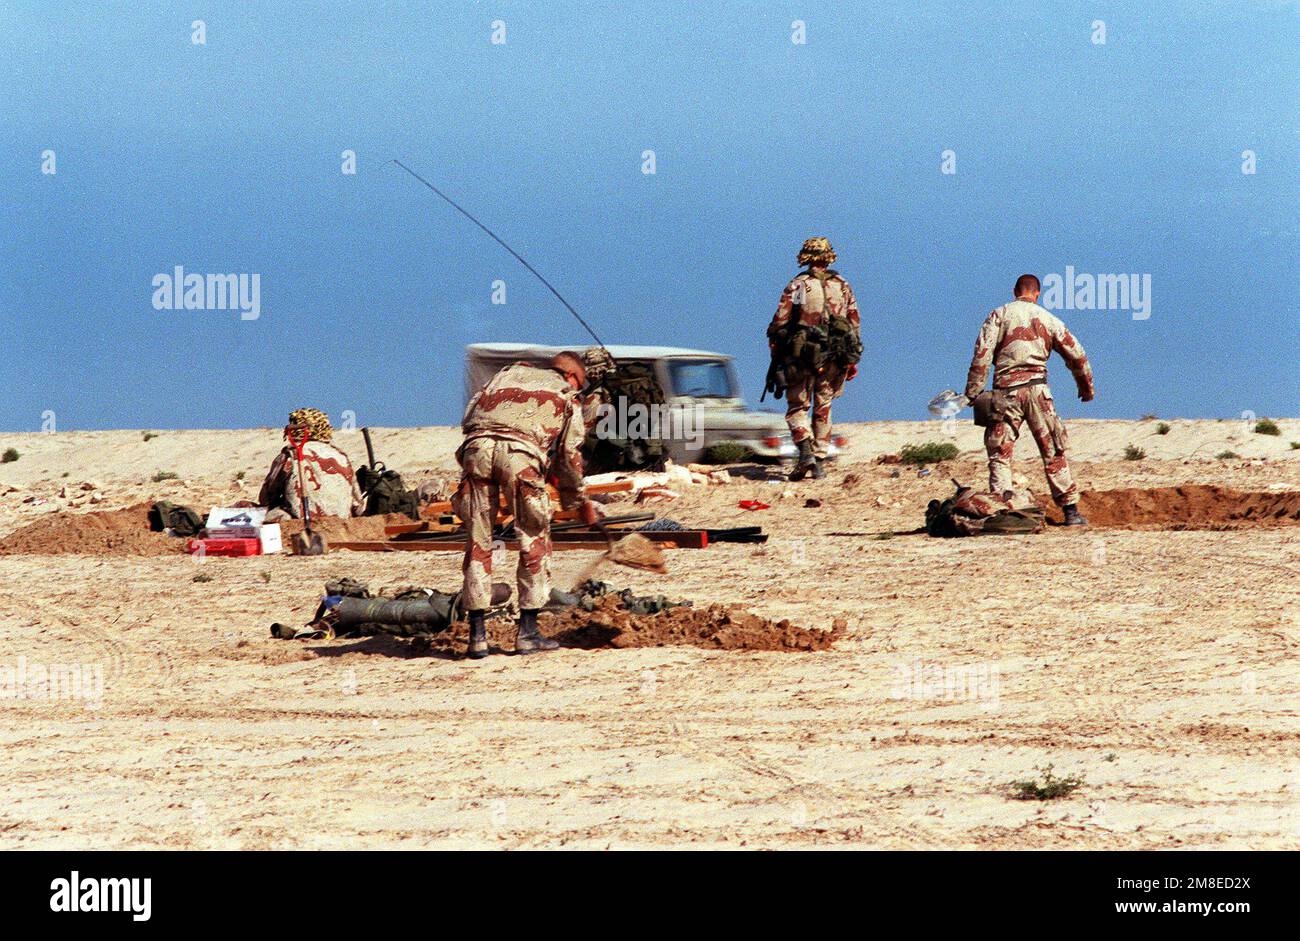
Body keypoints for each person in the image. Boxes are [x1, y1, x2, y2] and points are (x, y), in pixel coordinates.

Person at [453, 352, 602, 658]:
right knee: (533, 539)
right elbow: (569, 458)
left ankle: (477, 637)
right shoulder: (566, 394)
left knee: (478, 543)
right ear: (573, 377)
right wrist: (579, 502)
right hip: (520, 456)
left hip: (476, 449)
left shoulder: (504, 377)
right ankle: (528, 633)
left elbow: (469, 420)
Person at [963, 274, 1095, 525]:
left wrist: (973, 392)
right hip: (1038, 393)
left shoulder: (998, 315)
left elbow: (981, 355)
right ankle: (1071, 512)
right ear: (1038, 293)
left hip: (1005, 394)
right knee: (1053, 450)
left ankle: (1002, 511)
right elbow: (1076, 354)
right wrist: (1086, 387)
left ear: (1015, 291)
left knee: (1000, 453)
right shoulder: (1048, 319)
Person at [767, 237, 862, 480]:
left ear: (806, 258)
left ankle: (806, 452)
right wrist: (852, 361)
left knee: (797, 407)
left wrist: (777, 348)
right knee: (824, 407)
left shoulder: (798, 286)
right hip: (834, 357)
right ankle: (818, 461)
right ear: (828, 257)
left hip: (801, 358)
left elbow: (780, 321)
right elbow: (854, 323)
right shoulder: (842, 285)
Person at [258, 407, 364, 520]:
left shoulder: (290, 455)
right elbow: (358, 501)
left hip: (300, 520)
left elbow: (266, 498)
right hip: (342, 521)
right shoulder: (342, 456)